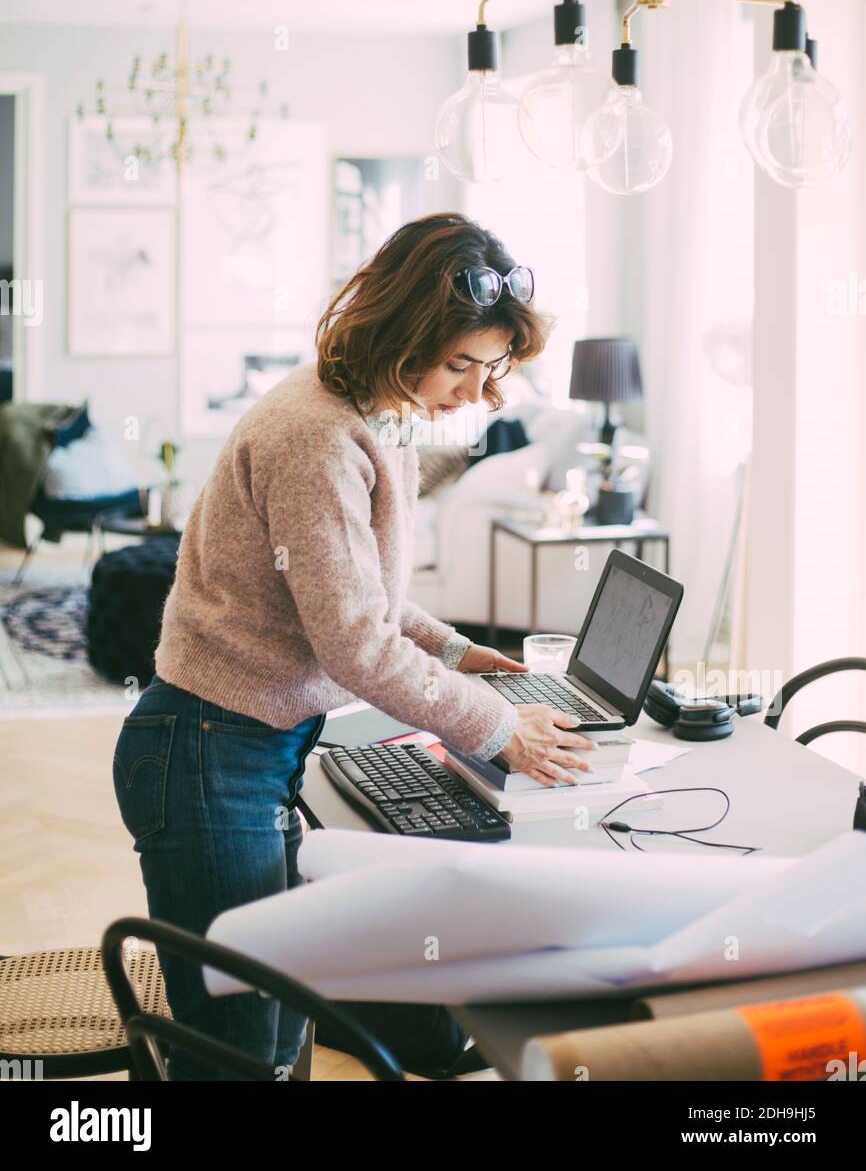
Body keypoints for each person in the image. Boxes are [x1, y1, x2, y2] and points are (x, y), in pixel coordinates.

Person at [112, 211, 596, 1080]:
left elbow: (366, 599)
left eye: (493, 370)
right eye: (462, 365)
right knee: (239, 1049)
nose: (481, 395)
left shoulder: (378, 409)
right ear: (402, 333)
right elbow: (356, 647)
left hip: (244, 742)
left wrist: (458, 658)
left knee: (270, 1019)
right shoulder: (317, 436)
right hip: (208, 749)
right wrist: (495, 728)